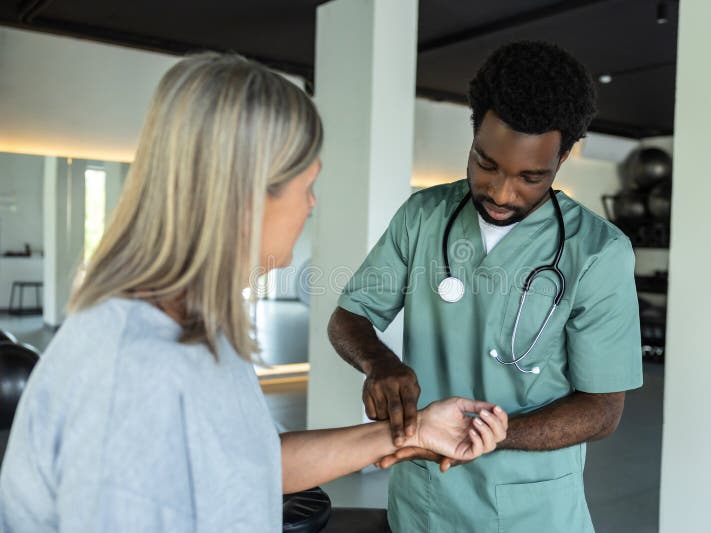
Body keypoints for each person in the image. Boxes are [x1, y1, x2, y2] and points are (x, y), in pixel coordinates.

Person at [0, 53, 508, 533]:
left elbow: (253, 462)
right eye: (307, 185)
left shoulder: (196, 328)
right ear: (244, 195)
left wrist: (413, 431)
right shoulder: (135, 377)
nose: (311, 205)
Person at [328, 41, 643, 532]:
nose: (500, 193)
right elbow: (351, 314)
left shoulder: (599, 252)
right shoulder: (423, 216)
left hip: (532, 510)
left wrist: (488, 435)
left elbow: (602, 410)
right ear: (474, 133)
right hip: (422, 500)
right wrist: (380, 362)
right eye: (486, 163)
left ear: (563, 158)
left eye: (530, 177)